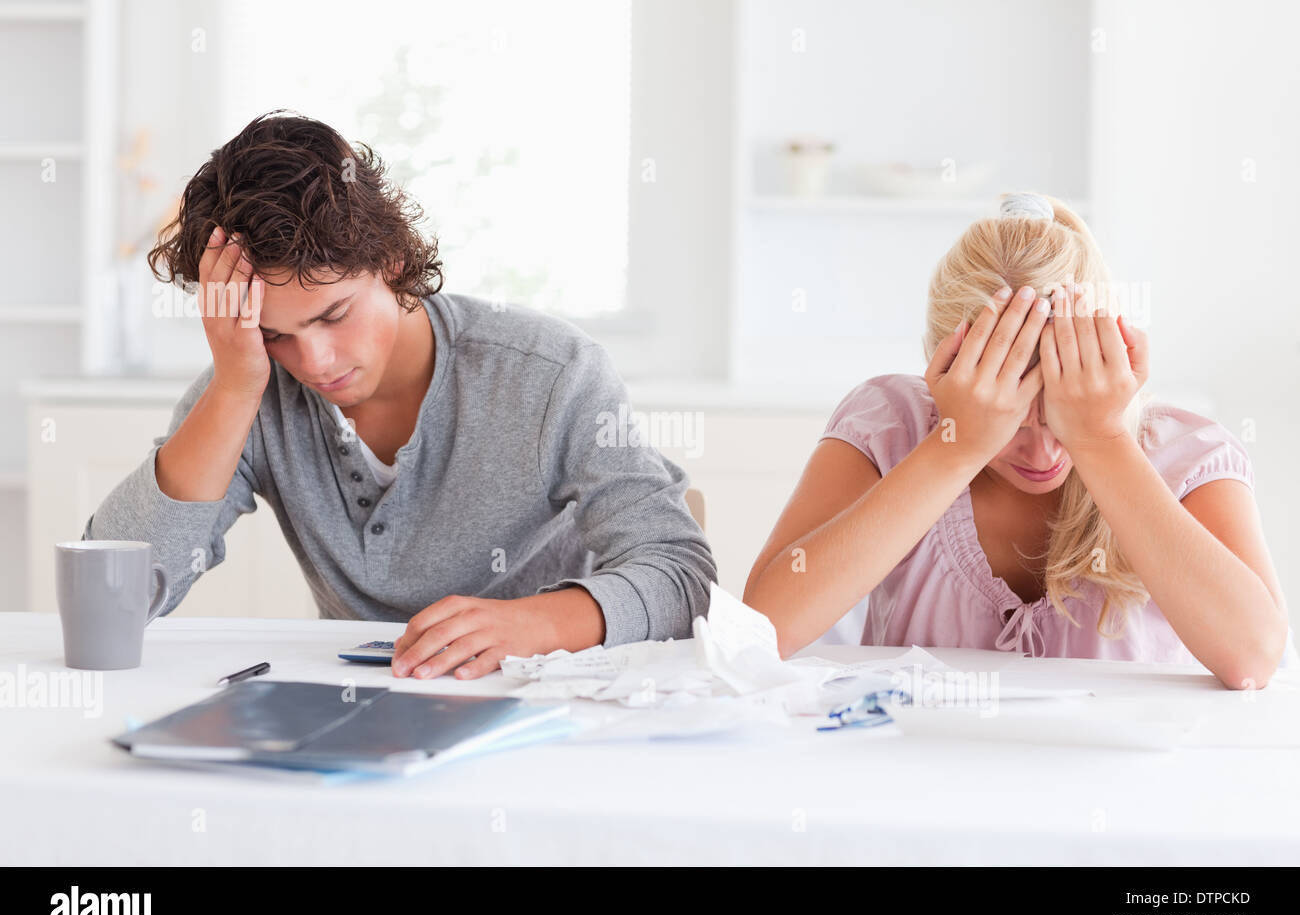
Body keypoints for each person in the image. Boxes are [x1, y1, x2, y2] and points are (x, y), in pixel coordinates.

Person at [82, 110, 715, 680]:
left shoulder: (551, 374)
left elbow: (682, 577)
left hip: (544, 700)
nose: (314, 362)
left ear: (390, 261)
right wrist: (236, 386)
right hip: (359, 712)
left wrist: (536, 623)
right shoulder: (246, 381)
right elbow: (111, 599)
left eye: (333, 315)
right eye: (276, 334)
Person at [744, 191, 1292, 690]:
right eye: (1011, 426)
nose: (1043, 455)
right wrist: (957, 446)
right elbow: (764, 628)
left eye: (1060, 425)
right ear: (942, 378)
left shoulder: (1187, 456)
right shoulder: (891, 427)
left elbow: (1253, 658)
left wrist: (1100, 438)